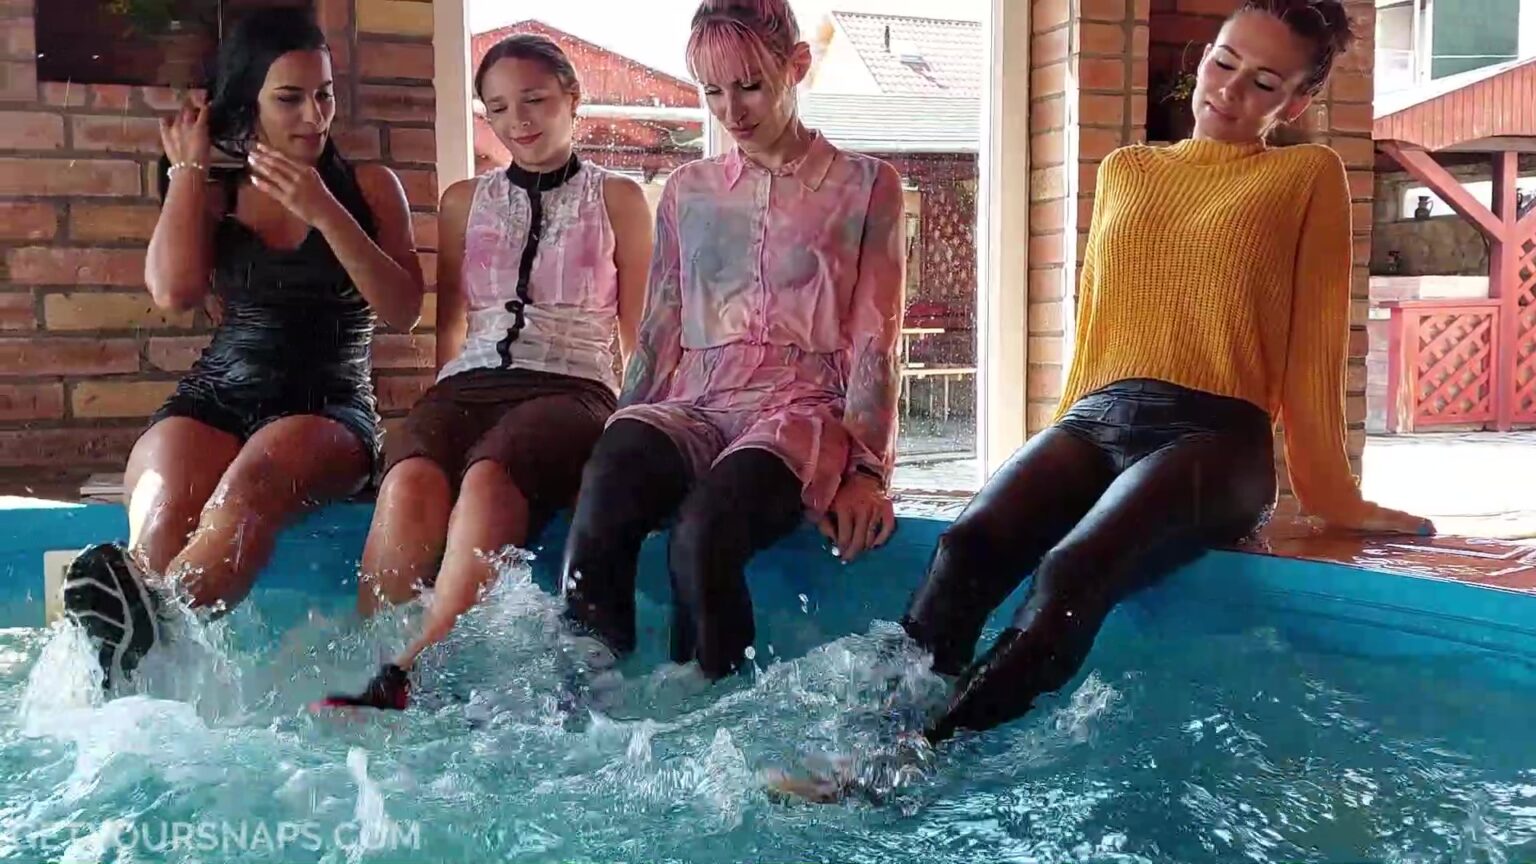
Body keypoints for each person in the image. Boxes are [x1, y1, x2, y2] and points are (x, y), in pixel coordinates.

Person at [899, 0, 1436, 746]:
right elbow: (1094, 335)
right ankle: (877, 730)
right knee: (966, 546)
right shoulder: (1127, 170)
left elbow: (1314, 350)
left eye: (1262, 82)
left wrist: (1334, 497)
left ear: (1298, 101)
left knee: (1070, 571)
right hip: (1098, 419)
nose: (1227, 90)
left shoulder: (1306, 175)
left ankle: (912, 764)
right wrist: (1040, 467)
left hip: (1216, 440)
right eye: (1223, 62)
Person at [61, 6, 424, 689]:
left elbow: (402, 309)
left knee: (248, 489)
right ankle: (141, 658)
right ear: (247, 103)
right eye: (289, 99)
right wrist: (188, 172)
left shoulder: (370, 188)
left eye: (324, 94)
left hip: (327, 408)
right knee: (164, 507)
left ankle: (141, 632)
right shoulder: (215, 189)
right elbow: (173, 291)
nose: (314, 115)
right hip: (218, 393)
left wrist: (325, 212)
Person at [558, 0, 905, 680]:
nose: (730, 109)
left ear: (795, 67)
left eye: (748, 84)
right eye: (712, 90)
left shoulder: (866, 186)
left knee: (701, 536)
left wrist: (866, 471)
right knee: (608, 482)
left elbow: (875, 336)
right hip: (696, 403)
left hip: (797, 413)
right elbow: (659, 329)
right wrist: (619, 431)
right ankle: (582, 711)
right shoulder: (688, 189)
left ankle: (712, 725)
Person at [317, 35, 652, 711]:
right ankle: (361, 658)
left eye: (534, 101)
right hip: (469, 384)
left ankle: (409, 669)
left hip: (573, 386)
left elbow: (637, 334)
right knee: (411, 477)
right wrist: (430, 421)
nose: (517, 120)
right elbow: (452, 322)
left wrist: (639, 431)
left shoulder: (618, 197)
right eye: (498, 108)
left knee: (490, 472)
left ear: (571, 101)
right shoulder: (465, 199)